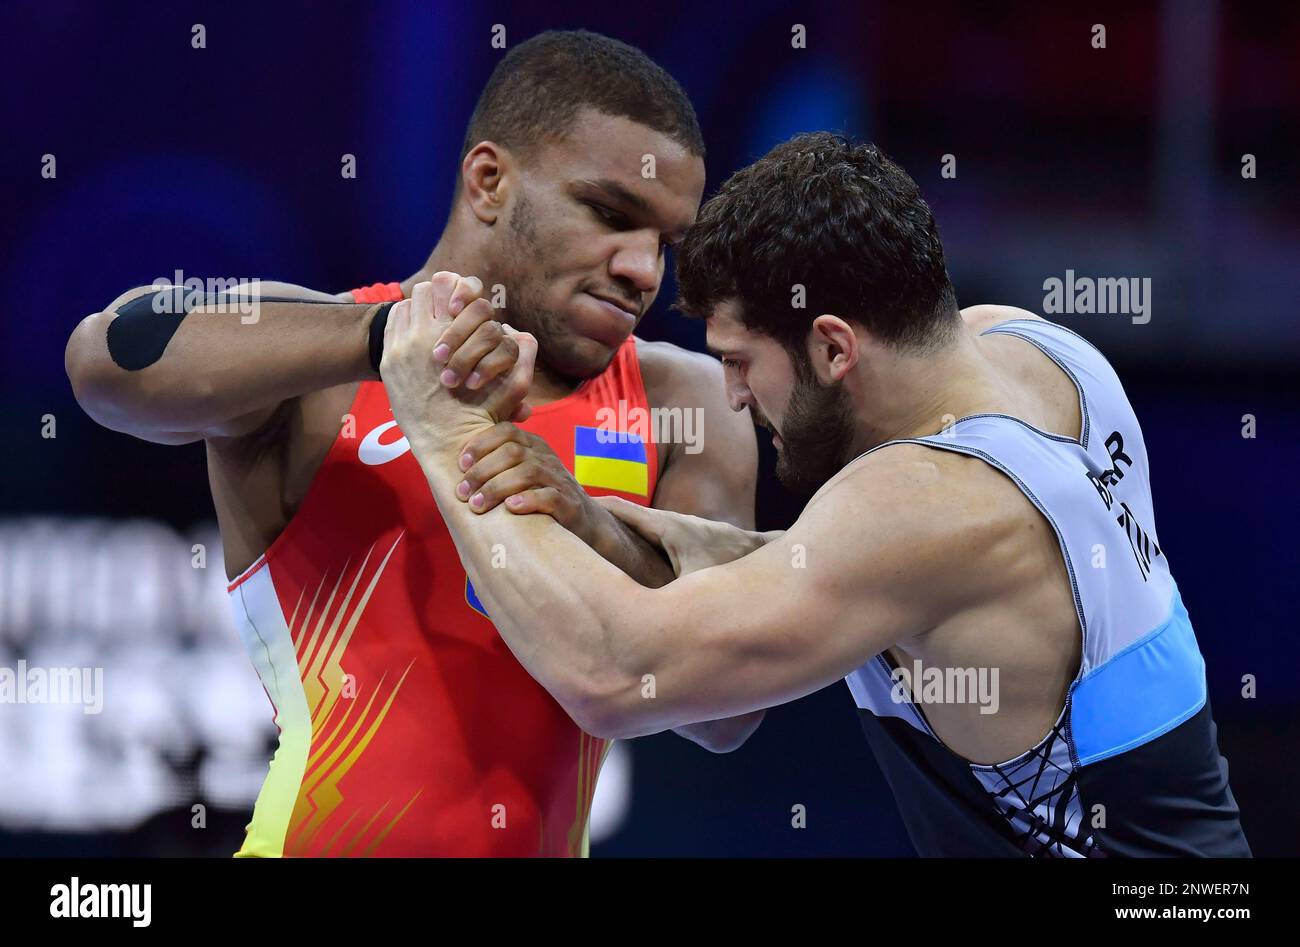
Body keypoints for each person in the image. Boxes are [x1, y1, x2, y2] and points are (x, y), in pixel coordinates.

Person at [386, 132, 1251, 857]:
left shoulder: (926, 502)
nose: (731, 398)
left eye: (739, 361)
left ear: (834, 348)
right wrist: (591, 517)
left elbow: (615, 673)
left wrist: (447, 435)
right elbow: (807, 564)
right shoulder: (1033, 350)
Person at [64, 30, 758, 857]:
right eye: (612, 215)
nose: (645, 270)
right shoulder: (321, 358)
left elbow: (726, 711)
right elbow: (105, 358)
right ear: (489, 181)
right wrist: (384, 336)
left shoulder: (690, 401)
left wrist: (584, 524)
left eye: (665, 243)